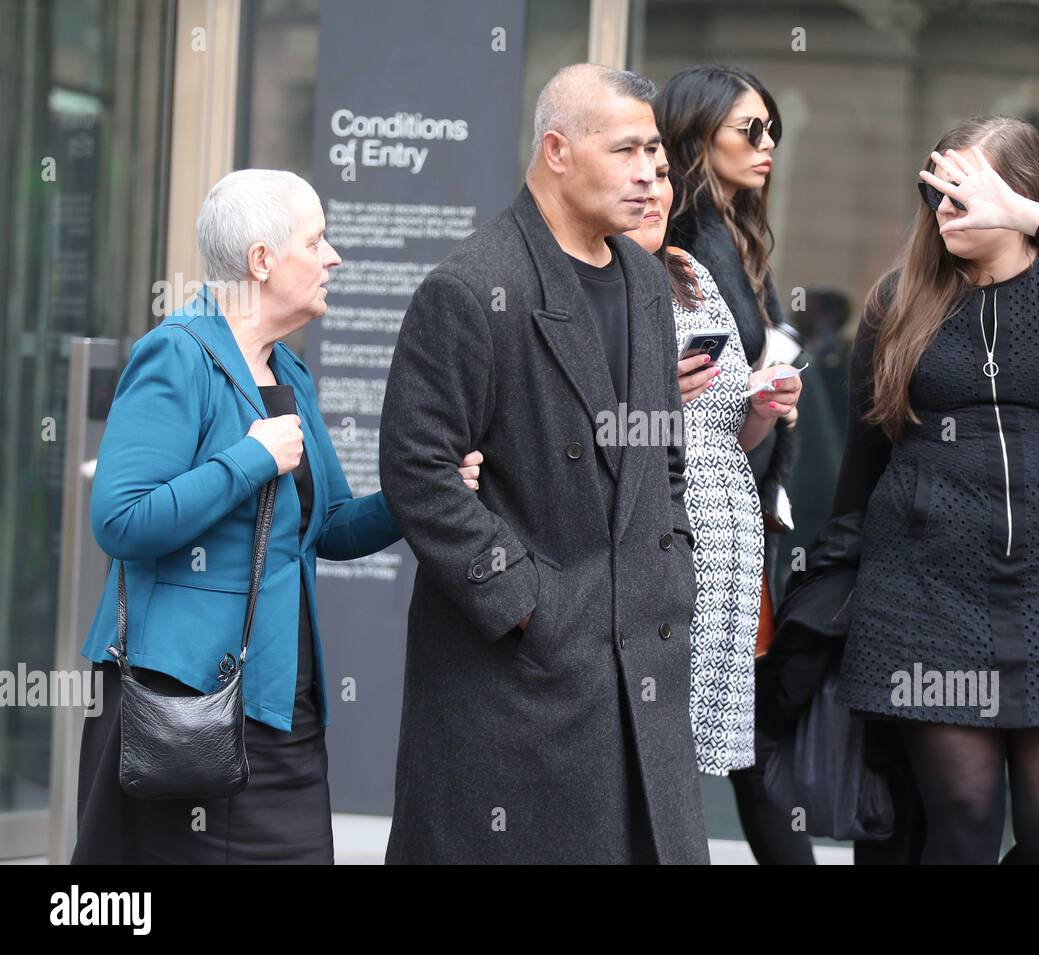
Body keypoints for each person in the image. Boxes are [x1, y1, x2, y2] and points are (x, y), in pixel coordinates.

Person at [379, 64, 708, 865]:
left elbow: (660, 450)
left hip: (642, 663)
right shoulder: (470, 286)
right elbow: (418, 470)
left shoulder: (643, 279)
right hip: (520, 684)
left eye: (654, 151)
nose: (648, 173)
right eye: (626, 150)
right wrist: (529, 603)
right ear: (557, 151)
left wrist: (675, 565)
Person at [831, 115, 1039, 864]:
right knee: (963, 818)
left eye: (966, 193)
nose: (946, 211)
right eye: (938, 194)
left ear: (1017, 193)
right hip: (925, 594)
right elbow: (860, 468)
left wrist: (1029, 219)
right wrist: (826, 590)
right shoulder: (901, 301)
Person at [73, 169, 404, 863]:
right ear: (262, 260)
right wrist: (250, 459)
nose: (333, 257)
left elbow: (332, 525)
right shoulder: (177, 353)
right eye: (316, 240)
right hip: (186, 715)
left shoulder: (288, 371)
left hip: (282, 716)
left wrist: (422, 492)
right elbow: (122, 519)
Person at [656, 64, 814, 864]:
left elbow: (721, 409)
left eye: (773, 130)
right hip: (690, 526)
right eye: (749, 130)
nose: (767, 146)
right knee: (702, 736)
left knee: (737, 734)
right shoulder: (678, 246)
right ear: (695, 136)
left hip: (733, 513)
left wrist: (760, 404)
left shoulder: (736, 235)